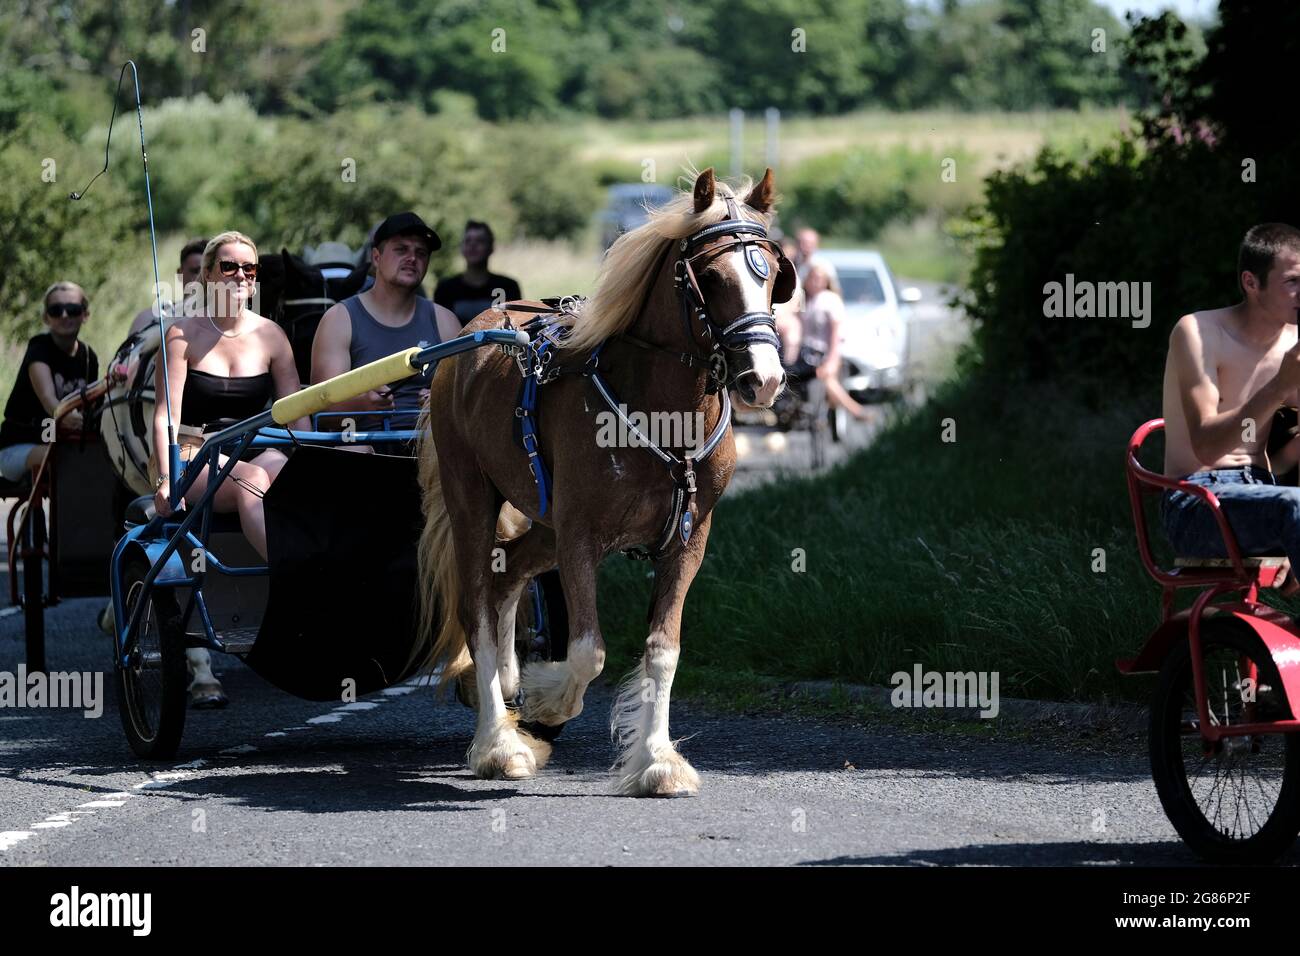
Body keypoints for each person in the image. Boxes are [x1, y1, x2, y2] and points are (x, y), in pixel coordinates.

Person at [1160, 222, 1300, 593]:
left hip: (1263, 494)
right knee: (1296, 505)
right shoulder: (1199, 332)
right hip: (1197, 503)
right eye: (1292, 281)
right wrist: (1281, 385)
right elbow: (1206, 446)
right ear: (1252, 283)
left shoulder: (1294, 342)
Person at [312, 212, 461, 433]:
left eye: (421, 253)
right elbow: (319, 413)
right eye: (401, 249)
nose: (412, 258)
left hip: (432, 452)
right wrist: (363, 404)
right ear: (376, 257)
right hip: (362, 450)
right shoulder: (340, 318)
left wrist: (441, 401)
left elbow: (468, 402)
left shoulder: (445, 321)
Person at [0, 283, 100, 482]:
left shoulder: (89, 357)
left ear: (85, 315)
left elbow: (94, 407)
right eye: (56, 310)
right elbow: (48, 400)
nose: (64, 315)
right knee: (61, 458)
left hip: (66, 445)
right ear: (46, 318)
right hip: (18, 447)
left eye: (72, 310)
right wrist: (65, 415)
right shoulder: (39, 349)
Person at [799, 259, 869, 422]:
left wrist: (832, 360)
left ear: (826, 281)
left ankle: (855, 410)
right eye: (813, 278)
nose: (816, 282)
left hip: (825, 351)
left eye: (820, 278)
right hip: (806, 353)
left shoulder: (830, 300)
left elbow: (836, 334)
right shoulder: (805, 300)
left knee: (826, 376)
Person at [434, 220, 522, 327]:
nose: (473, 245)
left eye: (480, 241)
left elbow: (517, 326)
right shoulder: (445, 289)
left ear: (491, 248)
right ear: (461, 247)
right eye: (468, 241)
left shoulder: (508, 287)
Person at [128, 237, 208, 337]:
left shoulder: (224, 324)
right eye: (195, 271)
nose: (200, 279)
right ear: (180, 273)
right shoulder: (148, 319)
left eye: (207, 273)